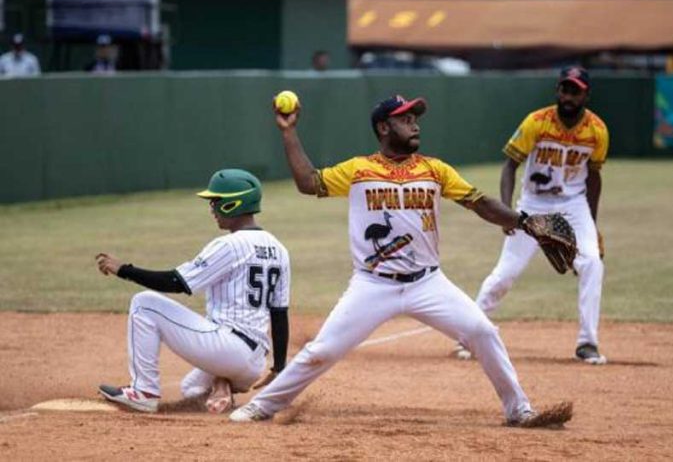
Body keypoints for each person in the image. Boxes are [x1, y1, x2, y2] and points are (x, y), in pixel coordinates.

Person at [229, 95, 572, 427]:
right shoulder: (359, 169)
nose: (414, 124)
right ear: (383, 128)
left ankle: (519, 410)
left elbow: (480, 203)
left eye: (415, 118)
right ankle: (262, 406)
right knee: (322, 351)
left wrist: (524, 222)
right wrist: (288, 132)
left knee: (482, 331)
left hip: (428, 283)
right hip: (373, 284)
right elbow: (308, 182)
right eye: (405, 119)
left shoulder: (435, 170)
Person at [96, 169, 291, 413]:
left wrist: (124, 269)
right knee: (192, 389)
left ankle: (143, 392)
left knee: (143, 303)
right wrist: (279, 367)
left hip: (227, 349)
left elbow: (176, 283)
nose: (212, 208)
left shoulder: (230, 245)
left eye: (216, 201)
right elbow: (279, 312)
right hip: (253, 364)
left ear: (234, 204)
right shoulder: (278, 249)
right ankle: (222, 384)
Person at [458, 66, 609, 365]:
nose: (568, 95)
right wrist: (506, 213)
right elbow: (509, 166)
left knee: (591, 262)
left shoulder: (597, 130)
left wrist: (591, 224)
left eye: (575, 90)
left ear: (586, 94)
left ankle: (587, 342)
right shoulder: (537, 122)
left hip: (573, 205)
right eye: (564, 89)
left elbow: (593, 177)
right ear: (558, 90)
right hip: (533, 205)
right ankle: (468, 335)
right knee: (505, 275)